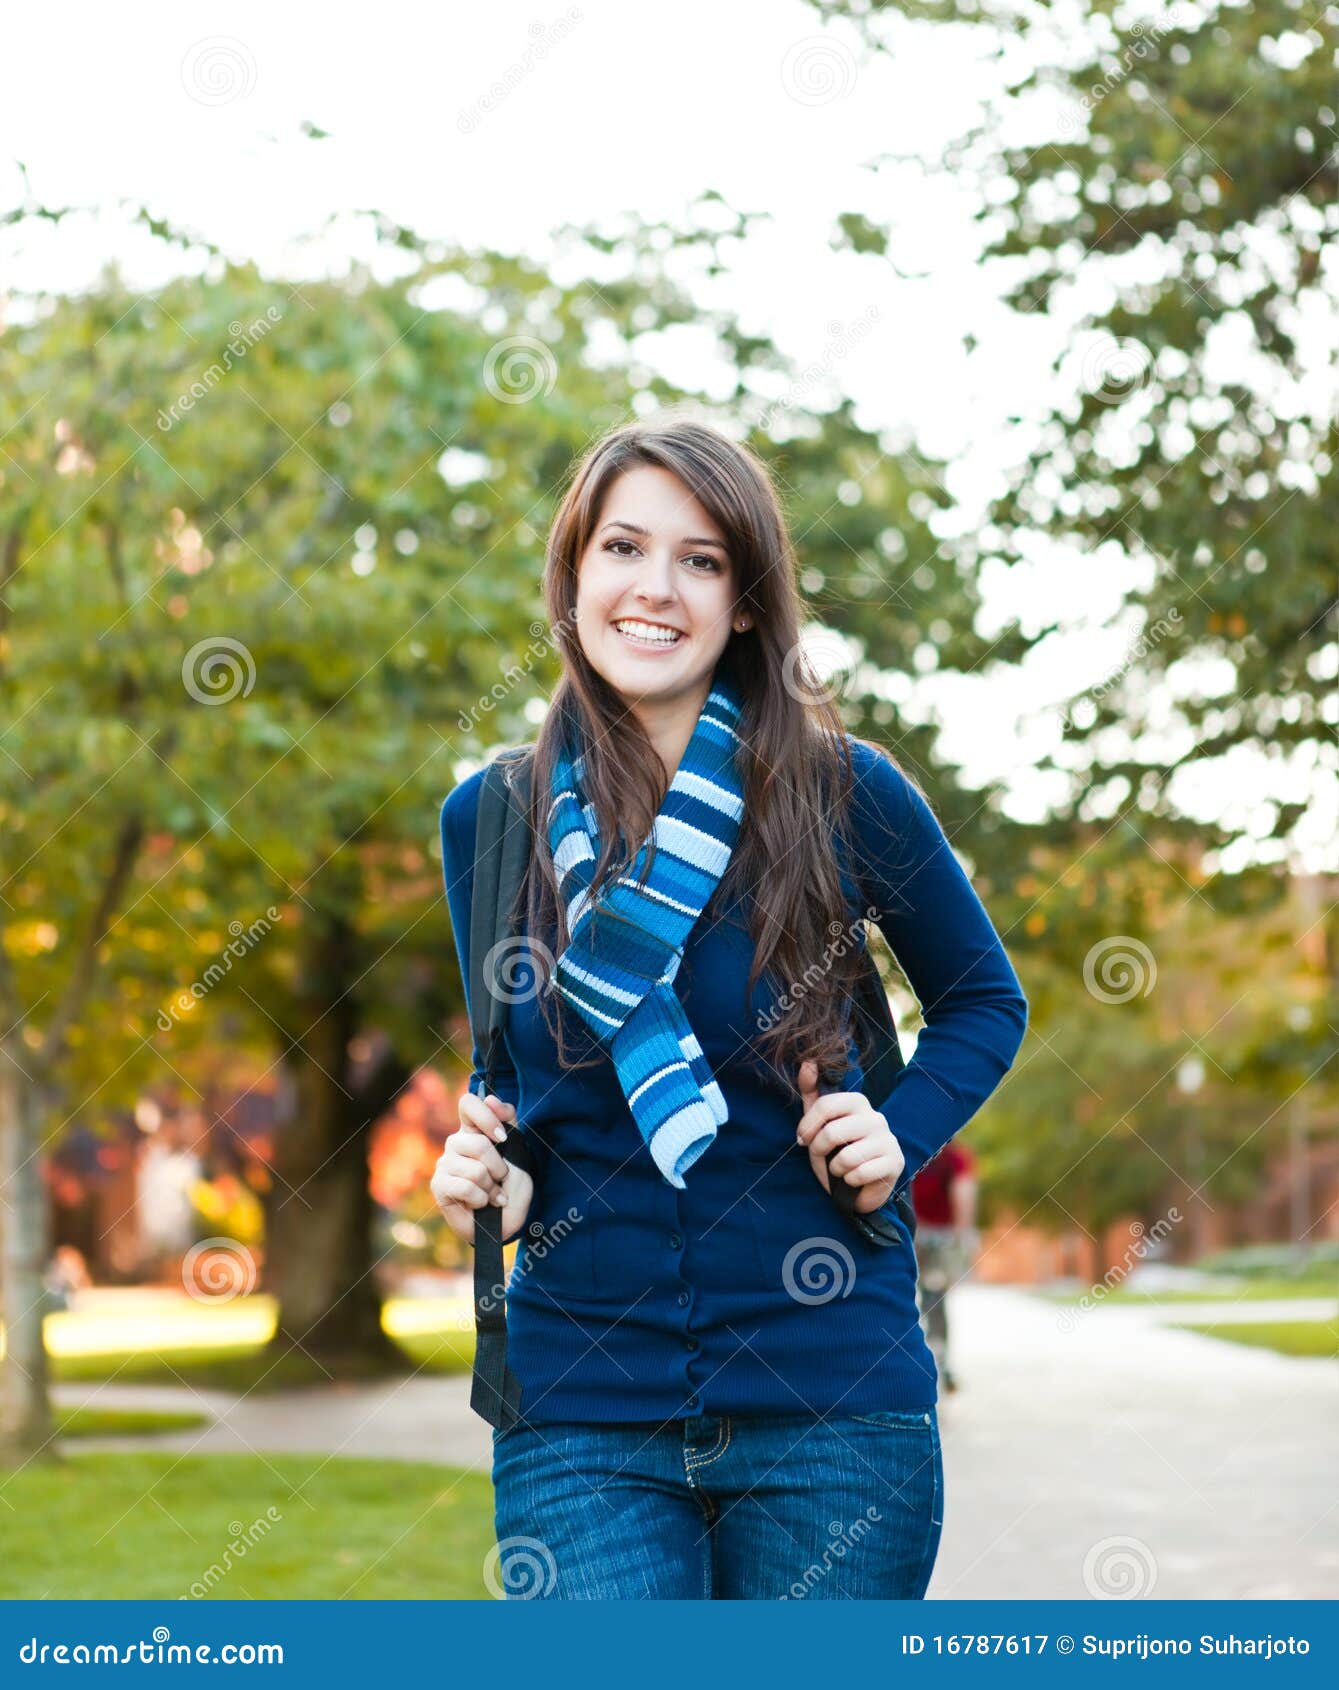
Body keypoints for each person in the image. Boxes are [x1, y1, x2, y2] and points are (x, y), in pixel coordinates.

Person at [433, 415, 1027, 1601]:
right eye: (622, 548)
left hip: (829, 1400)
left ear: (745, 603)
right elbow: (518, 1085)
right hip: (579, 1408)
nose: (655, 587)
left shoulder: (844, 791)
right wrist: (495, 1173)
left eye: (699, 560)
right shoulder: (490, 819)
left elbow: (981, 999)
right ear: (574, 574)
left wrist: (897, 1132)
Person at [911, 1139, 979, 1392]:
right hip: (941, 1239)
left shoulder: (912, 1145)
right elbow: (964, 1195)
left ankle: (924, 1358)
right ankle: (941, 1359)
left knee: (913, 1298)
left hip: (913, 1236)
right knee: (935, 1300)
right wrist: (961, 1236)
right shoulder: (955, 1157)